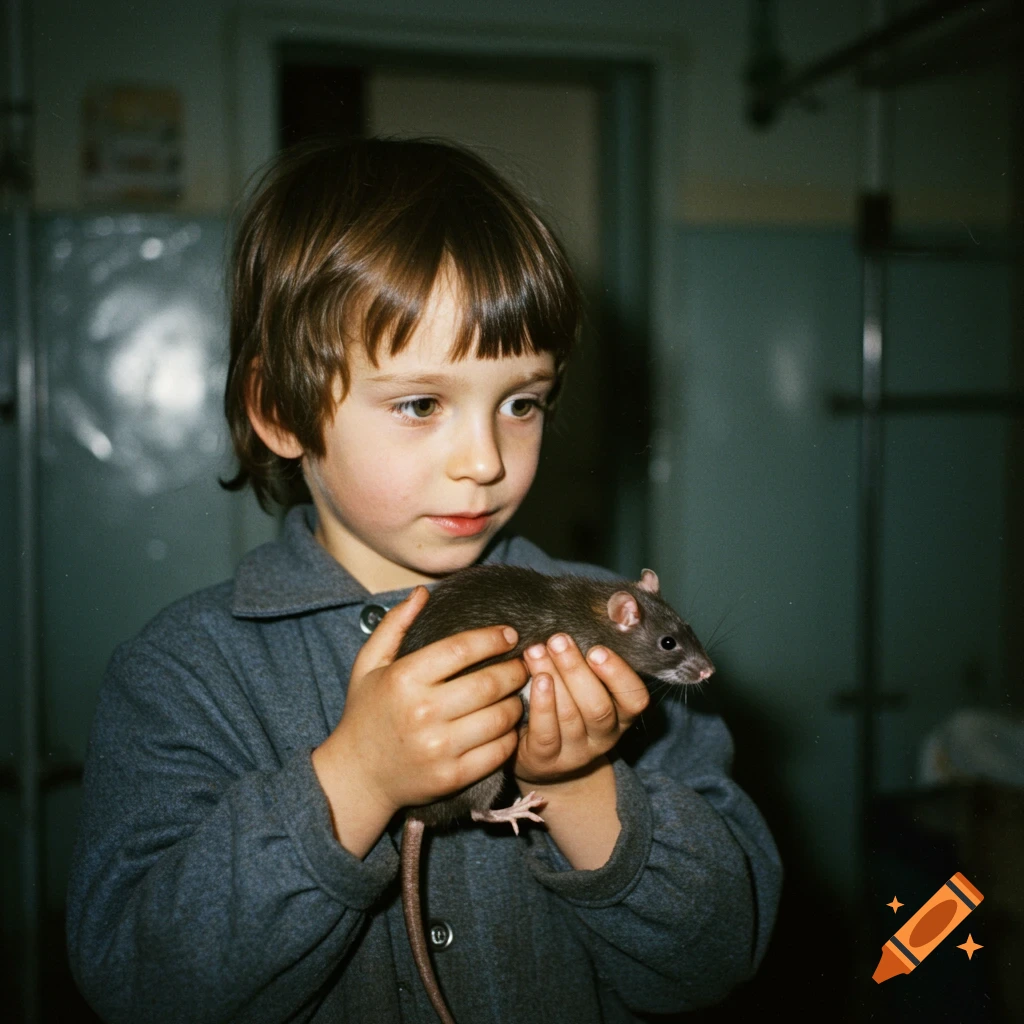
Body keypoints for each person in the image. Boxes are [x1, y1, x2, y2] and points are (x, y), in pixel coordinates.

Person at [66, 136, 782, 1023]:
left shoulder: (618, 644)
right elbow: (143, 985)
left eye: (522, 403)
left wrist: (581, 784)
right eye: (420, 404)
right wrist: (356, 781)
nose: (484, 460)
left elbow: (723, 949)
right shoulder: (183, 674)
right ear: (278, 411)